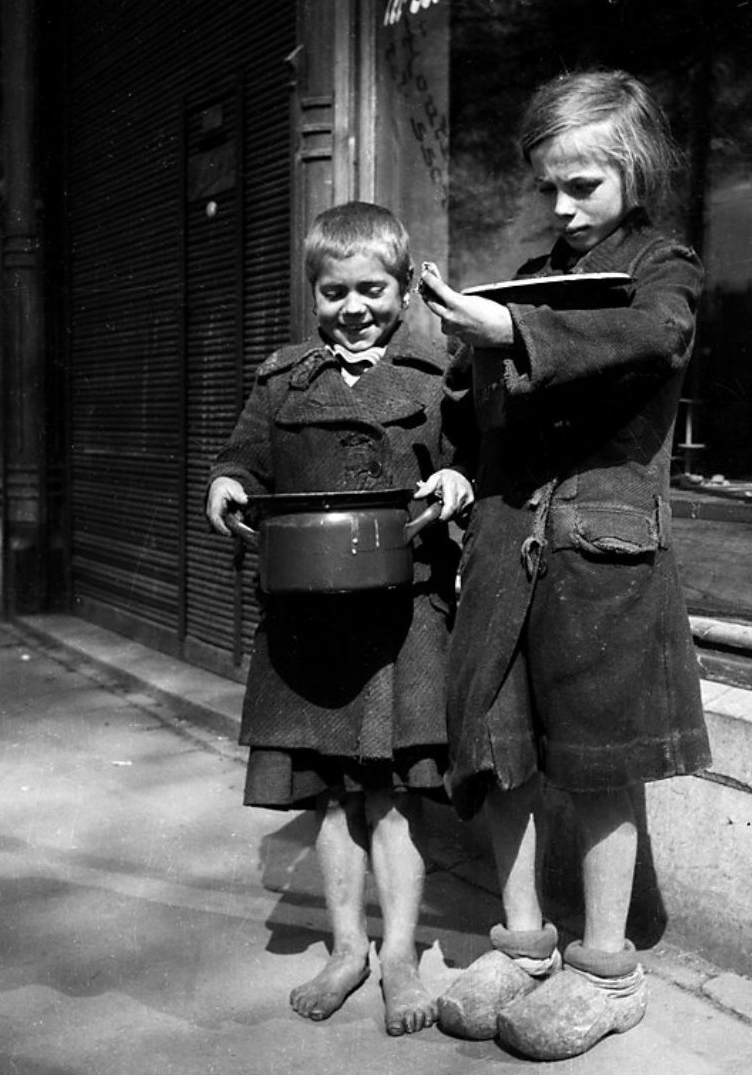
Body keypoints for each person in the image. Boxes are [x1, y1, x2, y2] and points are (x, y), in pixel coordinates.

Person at [418, 69, 712, 1061]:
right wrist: (460, 472)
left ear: (636, 169)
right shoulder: (530, 274)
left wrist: (510, 329)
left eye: (582, 183)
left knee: (598, 763)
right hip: (505, 539)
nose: (561, 205)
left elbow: (652, 334)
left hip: (604, 549)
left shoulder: (664, 270)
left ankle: (606, 968)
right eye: (549, 184)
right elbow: (473, 411)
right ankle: (522, 944)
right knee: (495, 746)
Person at [206, 202, 474, 1037]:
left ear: (402, 289)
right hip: (306, 616)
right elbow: (242, 456)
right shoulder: (283, 381)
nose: (352, 307)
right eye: (333, 292)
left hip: (403, 616)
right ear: (313, 294)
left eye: (370, 289)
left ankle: (398, 954)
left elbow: (471, 463)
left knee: (392, 799)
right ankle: (346, 946)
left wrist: (456, 486)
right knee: (329, 797)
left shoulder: (439, 379)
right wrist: (225, 484)